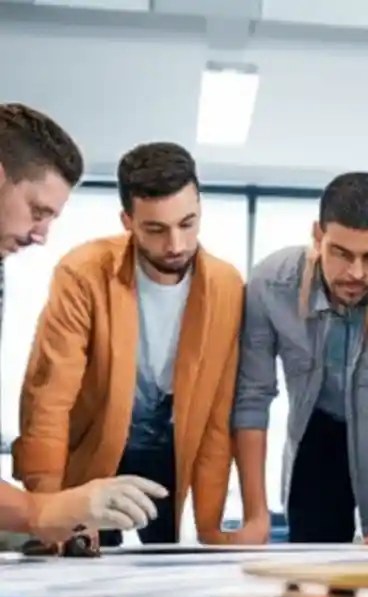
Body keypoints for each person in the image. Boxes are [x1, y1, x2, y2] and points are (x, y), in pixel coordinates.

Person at [14, 141, 238, 545]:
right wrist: (47, 508)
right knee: (83, 571)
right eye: (156, 228)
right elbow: (49, 396)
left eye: (188, 223)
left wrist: (212, 528)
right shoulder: (82, 273)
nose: (176, 244)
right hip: (96, 451)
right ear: (127, 221)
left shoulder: (226, 286)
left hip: (171, 450)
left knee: (167, 575)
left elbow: (217, 419)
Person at [233, 172, 368, 549]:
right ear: (318, 236)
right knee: (311, 581)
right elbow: (252, 399)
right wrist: (256, 515)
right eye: (341, 253)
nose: (357, 273)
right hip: (315, 440)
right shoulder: (270, 283)